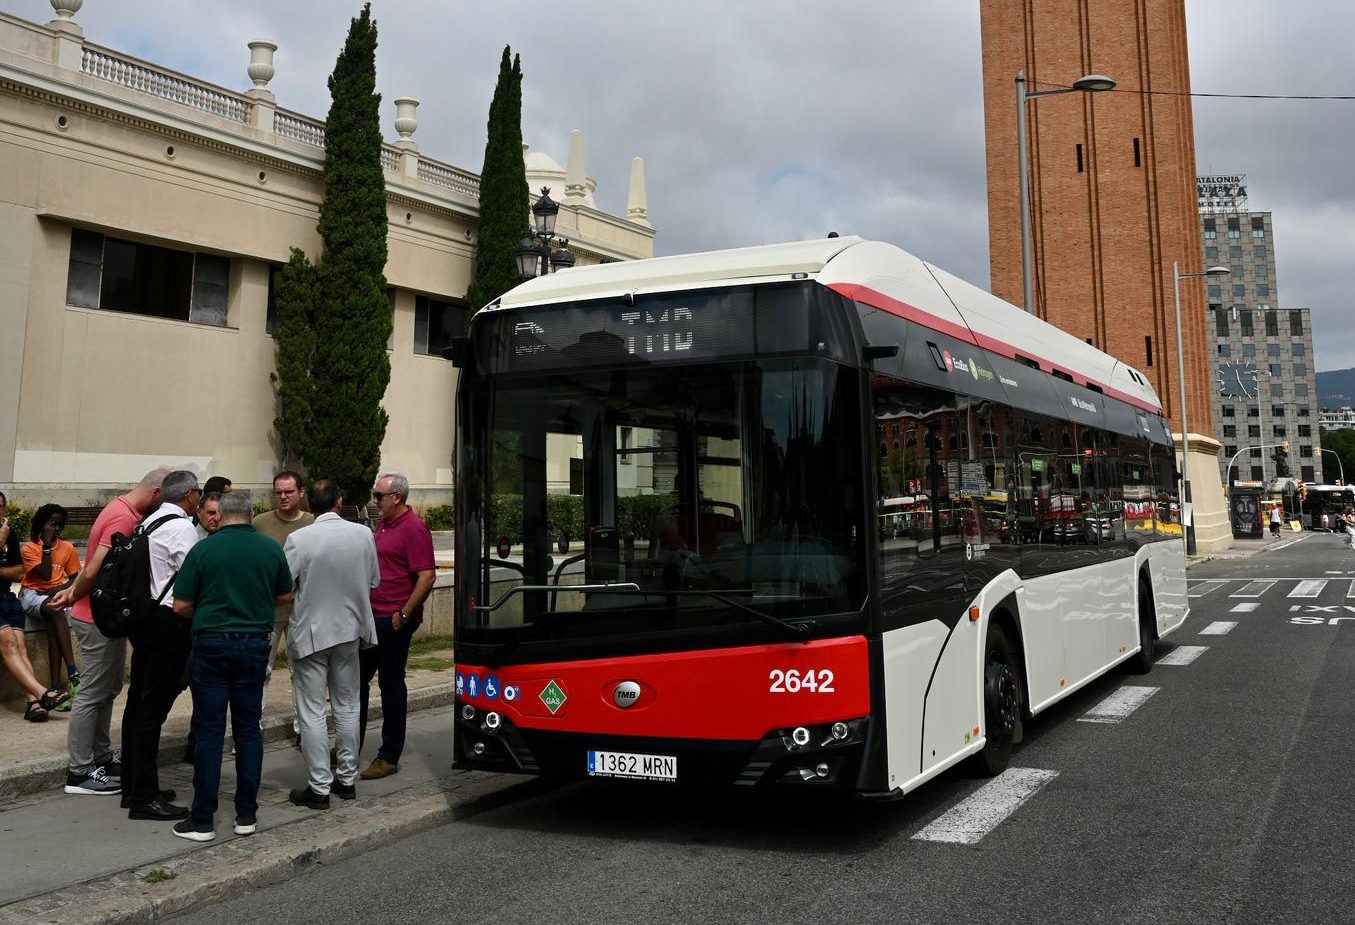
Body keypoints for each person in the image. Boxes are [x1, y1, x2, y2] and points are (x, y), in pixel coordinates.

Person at [171, 490, 294, 842]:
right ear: (251, 513)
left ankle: (203, 819)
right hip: (255, 642)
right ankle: (246, 814)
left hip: (211, 643)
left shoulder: (204, 549)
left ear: (220, 514)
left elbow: (180, 605)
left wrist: (210, 613)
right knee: (248, 730)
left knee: (210, 732)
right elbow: (285, 594)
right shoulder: (270, 548)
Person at [50, 468, 168, 795]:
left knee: (108, 688)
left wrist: (74, 593)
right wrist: (73, 594)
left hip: (99, 618)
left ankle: (99, 755)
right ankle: (79, 772)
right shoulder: (123, 519)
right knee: (92, 692)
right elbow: (94, 566)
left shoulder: (119, 508)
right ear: (157, 493)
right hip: (96, 620)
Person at [282, 479, 379, 809]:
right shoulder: (363, 534)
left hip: (310, 632)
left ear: (310, 505)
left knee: (311, 711)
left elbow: (284, 585)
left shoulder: (299, 538)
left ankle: (320, 785)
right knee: (348, 705)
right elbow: (373, 580)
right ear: (339, 501)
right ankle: (347, 779)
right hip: (349, 630)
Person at [121, 470, 201, 821]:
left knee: (138, 705)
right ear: (191, 495)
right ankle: (144, 797)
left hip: (144, 620)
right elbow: (193, 576)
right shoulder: (182, 527)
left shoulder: (148, 521)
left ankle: (134, 786)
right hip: (169, 623)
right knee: (152, 710)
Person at [359, 472, 435, 780]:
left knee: (390, 686)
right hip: (370, 617)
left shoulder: (414, 528)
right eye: (375, 496)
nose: (375, 501)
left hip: (392, 620)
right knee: (356, 684)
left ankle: (389, 755)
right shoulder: (383, 525)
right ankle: (351, 744)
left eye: (379, 496)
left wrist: (403, 614)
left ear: (397, 498)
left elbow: (427, 576)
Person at [252, 471, 315, 738]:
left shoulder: (313, 523)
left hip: (302, 611)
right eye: (278, 492)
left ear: (300, 492)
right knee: (259, 671)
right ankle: (252, 729)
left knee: (301, 671)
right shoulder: (260, 523)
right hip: (268, 610)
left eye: (288, 491)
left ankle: (304, 730)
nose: (283, 497)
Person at [0, 492, 71, 722]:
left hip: (6, 598)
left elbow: (18, 573)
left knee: (21, 645)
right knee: (10, 641)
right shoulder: (7, 537)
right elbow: (38, 573)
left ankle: (33, 704)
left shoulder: (10, 535)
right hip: (17, 597)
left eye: (1, 506)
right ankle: (42, 694)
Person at [18, 504, 81, 707]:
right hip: (32, 595)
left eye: (59, 525)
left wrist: (62, 586)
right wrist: (46, 546)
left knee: (55, 618)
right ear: (42, 524)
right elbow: (44, 574)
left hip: (53, 598)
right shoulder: (29, 548)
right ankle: (73, 671)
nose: (56, 529)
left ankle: (55, 688)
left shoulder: (67, 547)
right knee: (56, 608)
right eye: (52, 524)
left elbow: (75, 578)